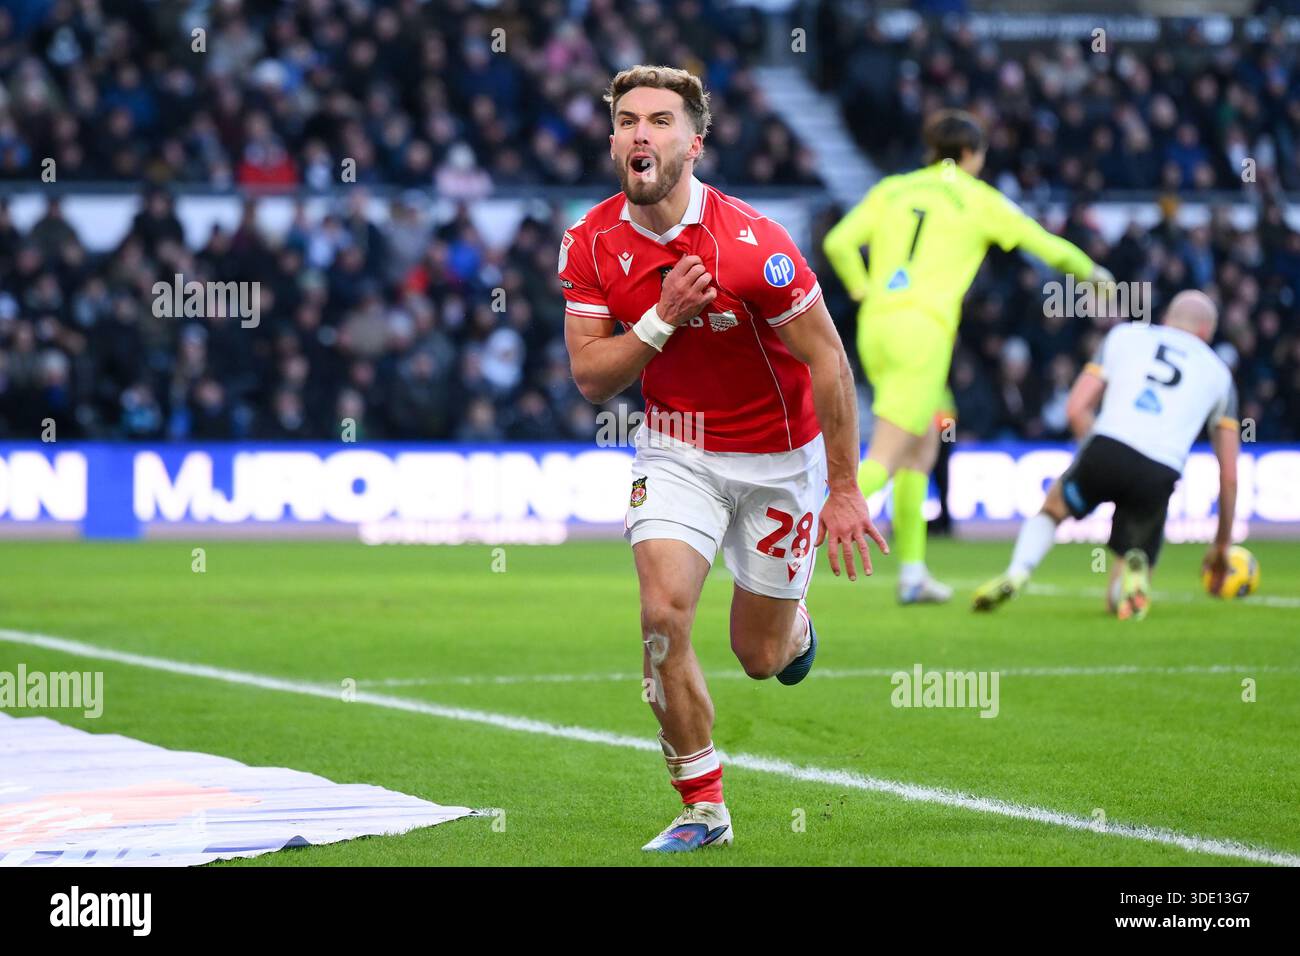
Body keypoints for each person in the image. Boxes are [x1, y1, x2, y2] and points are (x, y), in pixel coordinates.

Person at [561, 65, 886, 852]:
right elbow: (591, 378)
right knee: (662, 617)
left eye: (660, 121)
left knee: (760, 656)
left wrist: (843, 489)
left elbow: (831, 363)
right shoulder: (590, 241)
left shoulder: (754, 246)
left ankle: (796, 627)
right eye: (627, 120)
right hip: (677, 450)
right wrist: (664, 320)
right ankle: (703, 806)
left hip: (781, 462)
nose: (640, 133)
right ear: (612, 140)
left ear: (694, 144)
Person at [823, 109, 1110, 604]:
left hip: (878, 326)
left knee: (923, 446)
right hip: (924, 330)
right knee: (889, 453)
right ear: (973, 154)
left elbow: (838, 241)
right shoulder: (977, 197)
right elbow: (1044, 245)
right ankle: (801, 534)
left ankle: (912, 573)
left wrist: (863, 288)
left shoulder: (893, 189)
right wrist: (1094, 274)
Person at [972, 291, 1240, 619]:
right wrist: (1222, 545)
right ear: (1207, 332)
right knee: (1125, 575)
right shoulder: (1220, 375)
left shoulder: (1124, 335)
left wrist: (1095, 454)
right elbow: (1228, 476)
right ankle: (1131, 580)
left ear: (1167, 318)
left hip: (1107, 447)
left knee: (1054, 507)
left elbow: (1075, 409)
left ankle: (1018, 571)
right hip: (1161, 469)